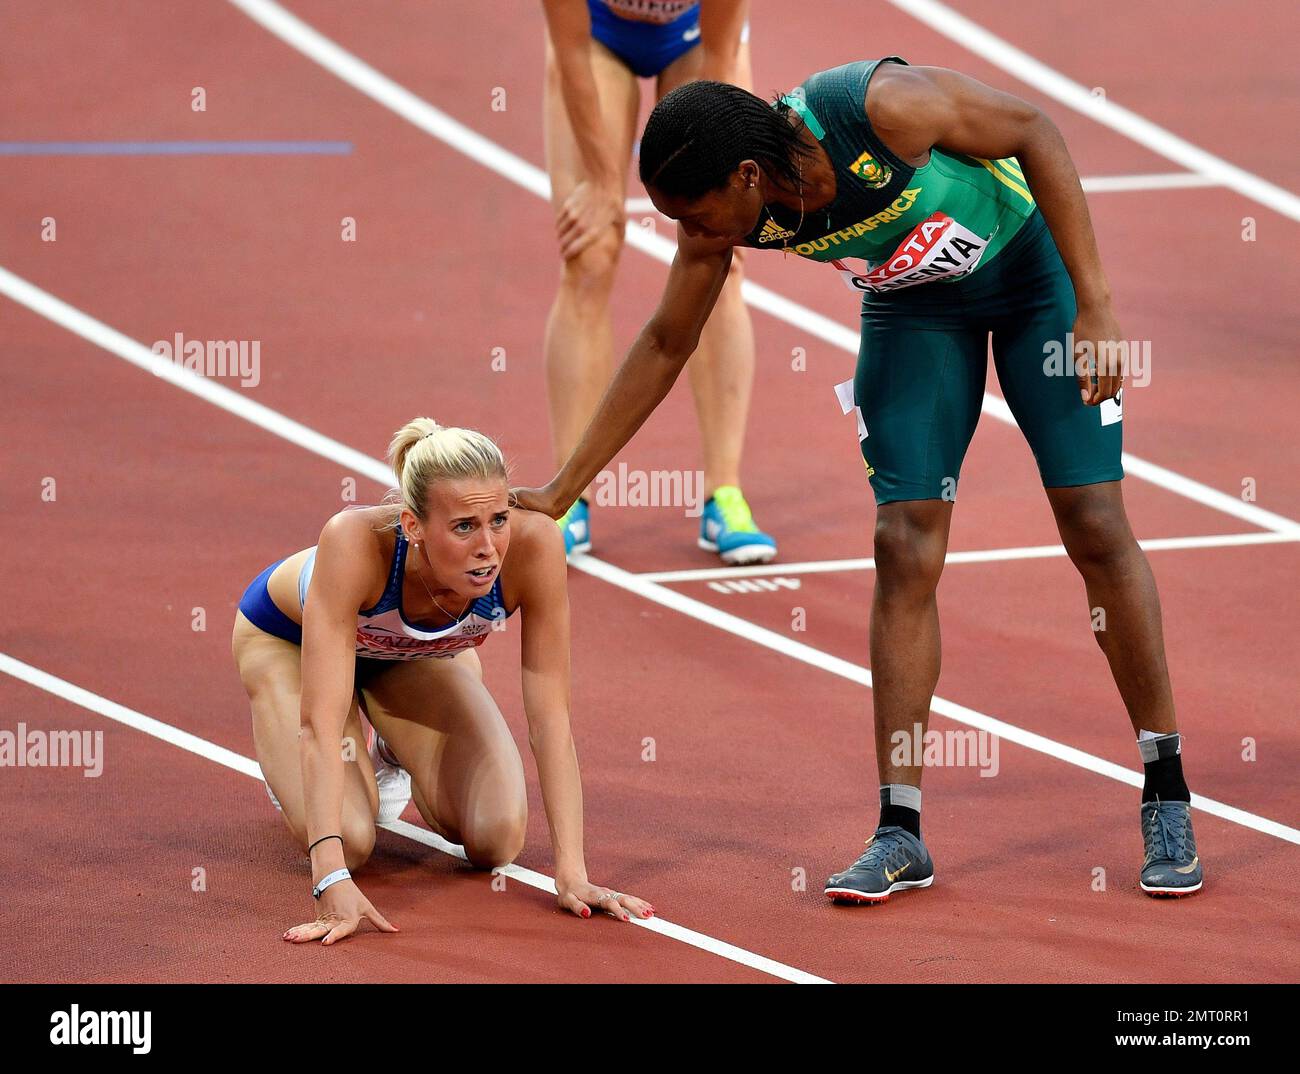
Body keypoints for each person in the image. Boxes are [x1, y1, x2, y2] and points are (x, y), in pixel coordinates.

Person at [515, 59, 1202, 903]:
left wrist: (1094, 302)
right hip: (916, 310)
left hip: (1034, 285)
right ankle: (901, 830)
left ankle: (1166, 790)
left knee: (1094, 522)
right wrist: (561, 489)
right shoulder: (716, 222)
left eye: (693, 213)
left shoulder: (880, 108)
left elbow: (1034, 130)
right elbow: (665, 344)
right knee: (902, 542)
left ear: (748, 176)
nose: (689, 232)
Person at [232, 418, 654, 944]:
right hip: (292, 646)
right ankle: (295, 771)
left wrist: (572, 871)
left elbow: (550, 717)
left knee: (495, 839)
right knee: (354, 840)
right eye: (463, 527)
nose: (489, 547)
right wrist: (330, 877)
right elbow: (319, 724)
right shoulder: (354, 541)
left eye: (498, 519)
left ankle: (392, 746)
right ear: (412, 526)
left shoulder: (535, 546)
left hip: (411, 656)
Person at [541, 0, 776, 564]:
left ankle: (725, 495)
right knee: (589, 255)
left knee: (720, 255)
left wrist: (722, 191)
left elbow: (719, 52)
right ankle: (569, 502)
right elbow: (571, 49)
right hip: (597, 39)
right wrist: (602, 183)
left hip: (698, 43)